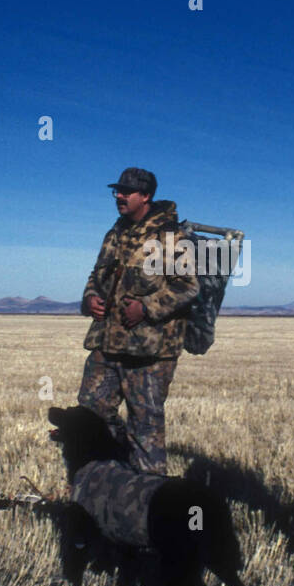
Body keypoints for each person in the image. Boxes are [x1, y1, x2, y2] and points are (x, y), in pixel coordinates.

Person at [78, 167, 198, 473]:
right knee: (91, 411)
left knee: (145, 426)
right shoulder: (115, 233)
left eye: (126, 192)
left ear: (145, 196)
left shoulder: (171, 236)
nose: (118, 196)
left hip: (150, 351)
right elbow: (97, 274)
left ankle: (148, 500)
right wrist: (91, 298)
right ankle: (110, 477)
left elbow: (187, 286)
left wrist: (146, 308)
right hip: (107, 342)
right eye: (116, 191)